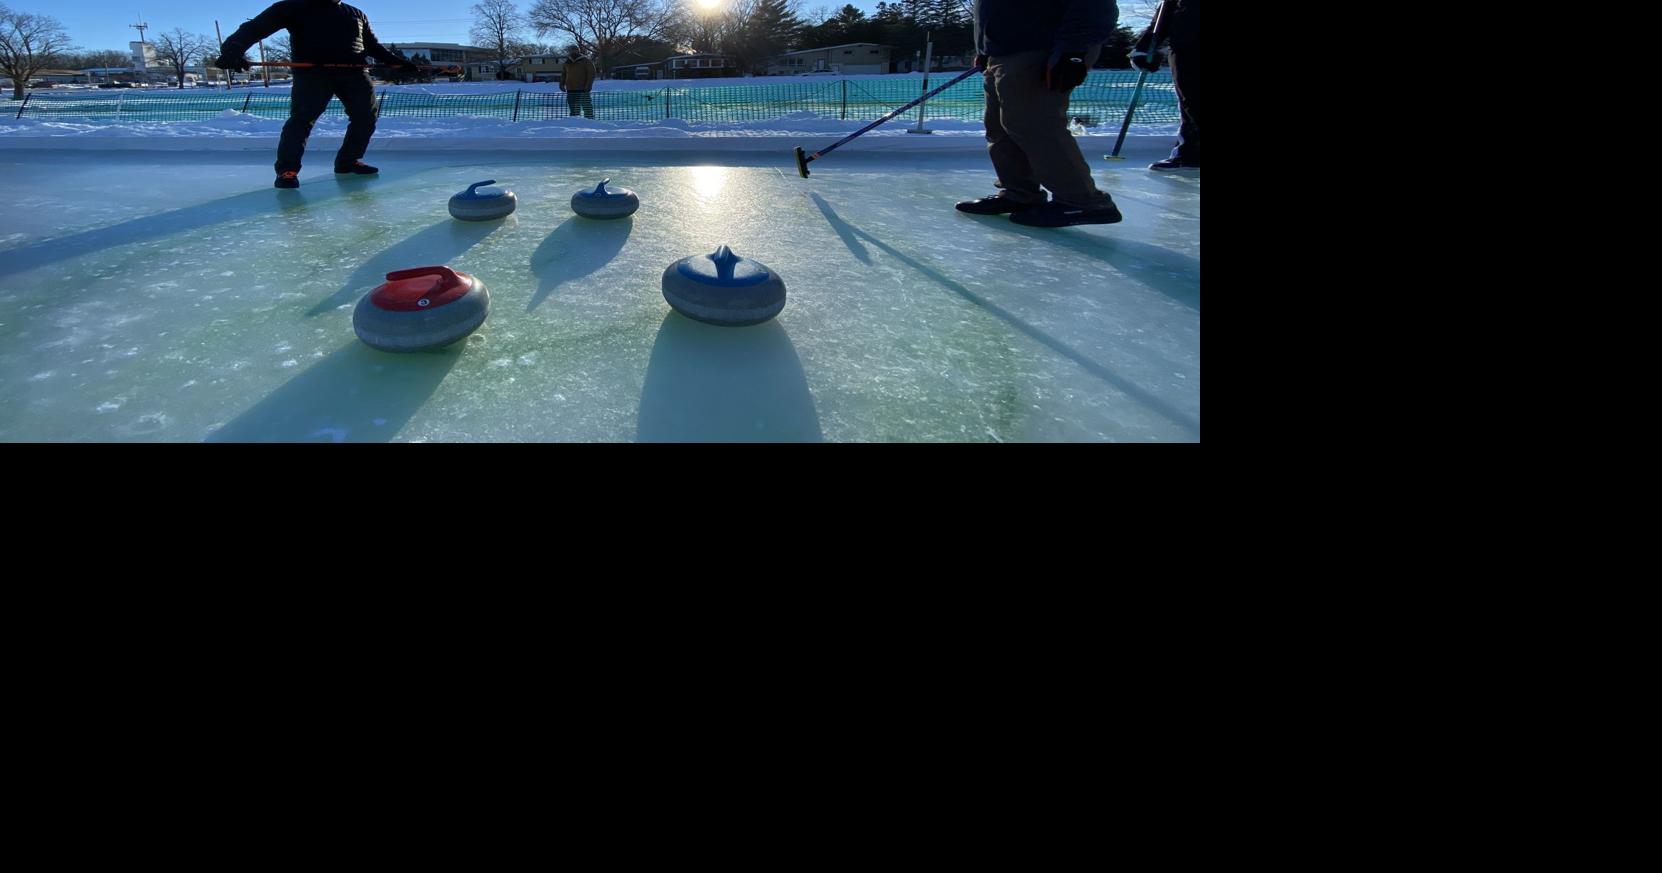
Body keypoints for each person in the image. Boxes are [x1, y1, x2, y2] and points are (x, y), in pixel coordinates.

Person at [215, 0, 417, 188]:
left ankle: (348, 161)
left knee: (366, 117)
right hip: (313, 74)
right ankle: (287, 170)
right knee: (302, 120)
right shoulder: (293, 6)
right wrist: (233, 50)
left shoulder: (356, 13)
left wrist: (398, 63)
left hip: (355, 73)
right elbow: (254, 29)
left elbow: (372, 46)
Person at [956, 0, 1122, 228]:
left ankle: (1083, 200)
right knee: (999, 126)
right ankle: (1020, 192)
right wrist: (984, 48)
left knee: (1033, 123)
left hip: (1042, 46)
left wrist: (1074, 49)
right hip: (1001, 50)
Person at [1129, 0, 1199, 172]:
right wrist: (1144, 48)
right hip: (1188, 46)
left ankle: (1191, 154)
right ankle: (1190, 154)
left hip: (1187, 43)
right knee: (1191, 101)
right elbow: (1164, 16)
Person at [561, 52, 597, 118]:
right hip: (570, 89)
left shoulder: (586, 61)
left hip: (583, 88)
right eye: (572, 50)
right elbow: (563, 74)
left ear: (578, 51)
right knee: (573, 107)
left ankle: (590, 119)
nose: (573, 51)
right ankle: (574, 120)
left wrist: (588, 85)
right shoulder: (567, 62)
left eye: (575, 50)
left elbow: (591, 74)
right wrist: (561, 84)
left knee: (586, 105)